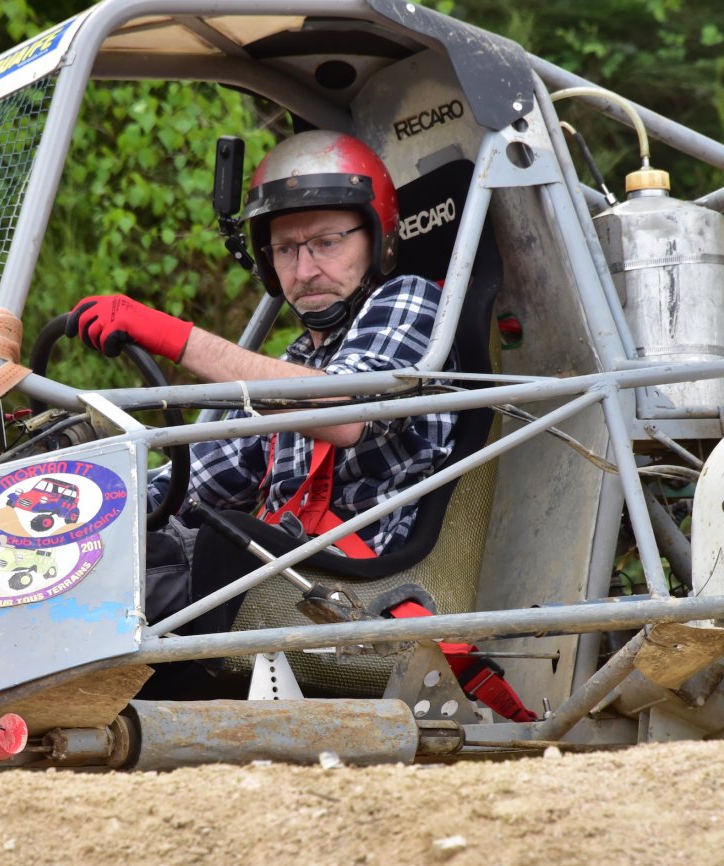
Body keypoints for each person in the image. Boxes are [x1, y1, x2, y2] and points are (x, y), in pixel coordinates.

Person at [66, 130, 456, 633]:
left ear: (376, 238)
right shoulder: (290, 365)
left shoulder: (411, 302)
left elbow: (343, 412)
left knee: (132, 574)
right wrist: (81, 509)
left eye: (326, 242)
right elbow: (187, 485)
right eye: (285, 249)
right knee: (99, 544)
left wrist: (170, 335)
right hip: (281, 582)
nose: (305, 268)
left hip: (352, 595)